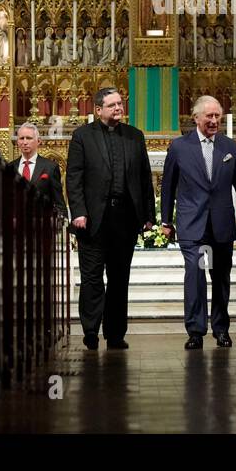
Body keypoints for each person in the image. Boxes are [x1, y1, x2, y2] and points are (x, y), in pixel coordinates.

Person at [160, 96, 236, 349]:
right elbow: (168, 186)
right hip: (192, 223)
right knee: (194, 273)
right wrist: (165, 221)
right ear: (196, 118)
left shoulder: (229, 146)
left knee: (221, 277)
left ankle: (221, 328)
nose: (214, 121)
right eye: (209, 117)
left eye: (218, 116)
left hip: (221, 223)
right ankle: (195, 330)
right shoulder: (179, 147)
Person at [66, 88, 155, 350]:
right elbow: (74, 177)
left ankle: (115, 334)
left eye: (120, 103)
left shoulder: (134, 136)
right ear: (98, 110)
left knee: (119, 278)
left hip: (124, 218)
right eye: (112, 104)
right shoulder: (83, 136)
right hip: (93, 220)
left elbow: (144, 179)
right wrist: (79, 212)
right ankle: (91, 331)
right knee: (92, 277)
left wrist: (148, 216)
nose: (119, 108)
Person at [9, 123, 64, 214]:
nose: (25, 142)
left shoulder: (50, 167)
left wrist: (62, 225)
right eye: (21, 138)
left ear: (38, 141)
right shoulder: (10, 167)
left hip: (41, 223)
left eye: (29, 138)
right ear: (17, 142)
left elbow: (59, 203)